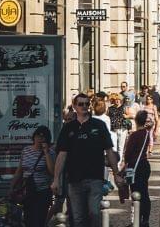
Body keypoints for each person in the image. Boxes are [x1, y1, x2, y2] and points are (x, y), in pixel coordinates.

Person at [51, 93, 123, 227]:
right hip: (74, 179)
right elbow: (62, 154)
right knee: (78, 217)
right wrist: (56, 179)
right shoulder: (68, 128)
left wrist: (116, 173)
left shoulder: (99, 125)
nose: (84, 106)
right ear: (74, 106)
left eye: (86, 104)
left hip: (95, 177)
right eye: (80, 104)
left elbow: (109, 150)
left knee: (94, 213)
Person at [12, 125, 55, 227]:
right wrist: (12, 186)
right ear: (34, 137)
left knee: (39, 220)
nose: (40, 139)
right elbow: (19, 170)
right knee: (28, 219)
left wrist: (46, 153)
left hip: (42, 191)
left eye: (44, 137)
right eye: (38, 136)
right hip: (28, 190)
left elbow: (52, 171)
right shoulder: (26, 150)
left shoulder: (51, 152)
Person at [121, 111, 154, 227]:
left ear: (135, 120)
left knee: (135, 192)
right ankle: (145, 219)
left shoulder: (134, 135)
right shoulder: (146, 133)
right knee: (144, 192)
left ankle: (136, 220)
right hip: (144, 165)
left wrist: (124, 165)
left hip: (134, 167)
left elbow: (128, 153)